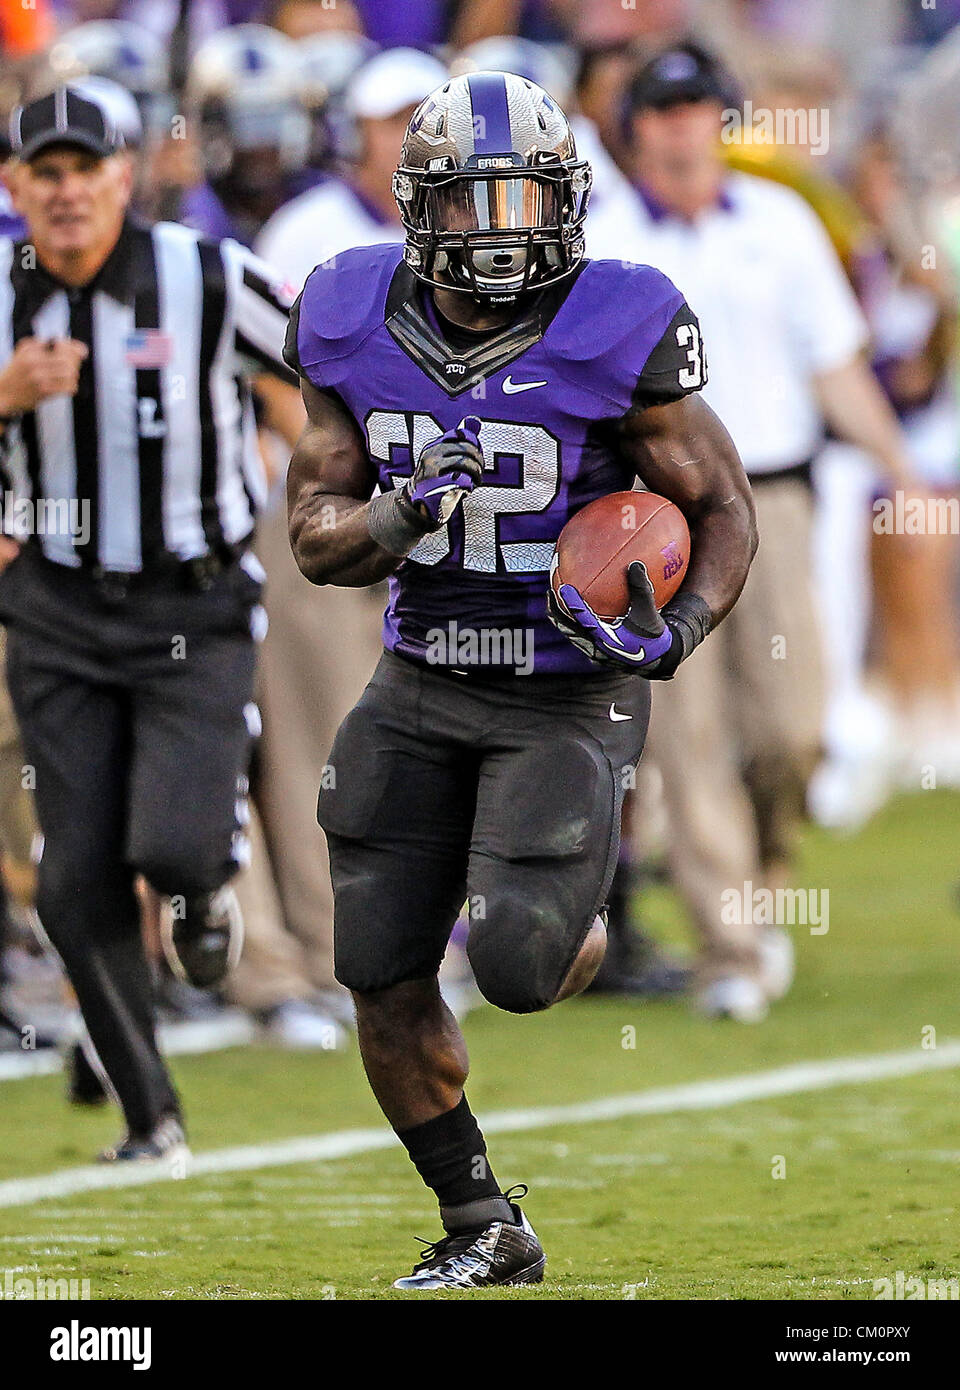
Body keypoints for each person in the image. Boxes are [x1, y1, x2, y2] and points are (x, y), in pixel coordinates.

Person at [285, 70, 756, 1289]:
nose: (499, 225)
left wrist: (679, 629)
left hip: (564, 683)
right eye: (471, 198)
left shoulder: (620, 320)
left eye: (522, 197)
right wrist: (395, 514)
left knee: (520, 969)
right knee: (380, 976)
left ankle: (581, 903)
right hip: (421, 672)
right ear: (415, 204)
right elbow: (312, 531)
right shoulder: (346, 314)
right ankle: (482, 1221)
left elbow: (722, 507)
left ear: (569, 201)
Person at [587, 43, 919, 1021]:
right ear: (638, 126)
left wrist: (899, 466)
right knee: (684, 739)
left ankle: (766, 873)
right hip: (658, 506)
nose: (684, 126)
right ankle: (729, 948)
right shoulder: (604, 240)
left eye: (699, 108)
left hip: (772, 496)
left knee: (791, 728)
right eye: (665, 108)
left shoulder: (779, 223)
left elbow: (835, 365)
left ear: (719, 121)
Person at [0, 86, 301, 1161]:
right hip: (57, 604)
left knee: (168, 844)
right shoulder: (2, 292)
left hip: (195, 598)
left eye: (87, 169)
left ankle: (205, 872)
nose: (68, 190)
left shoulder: (207, 276)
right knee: (76, 876)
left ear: (124, 177)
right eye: (47, 171)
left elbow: (315, 371)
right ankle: (149, 1113)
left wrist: (321, 480)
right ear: (15, 185)